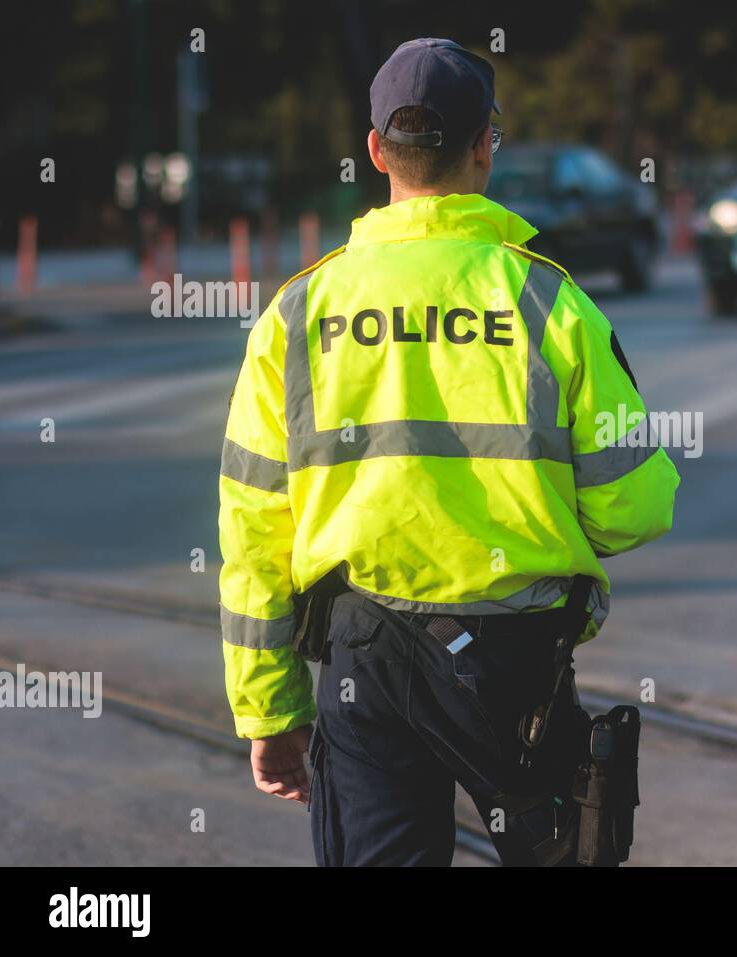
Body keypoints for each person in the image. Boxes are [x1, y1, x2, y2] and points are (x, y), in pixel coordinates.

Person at [217, 37, 679, 865]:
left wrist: (269, 714)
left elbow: (254, 533)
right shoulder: (547, 301)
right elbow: (637, 505)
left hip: (362, 659)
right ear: (483, 148)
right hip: (515, 663)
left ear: (374, 152)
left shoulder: (297, 313)